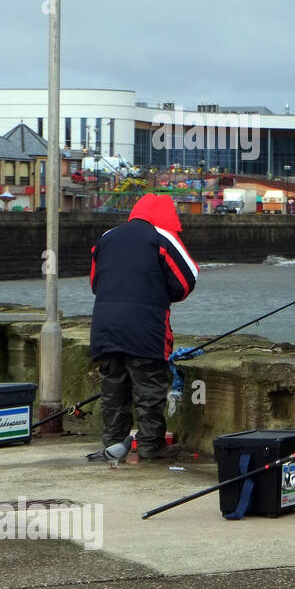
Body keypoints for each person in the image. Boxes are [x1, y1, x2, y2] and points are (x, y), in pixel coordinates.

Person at [90, 194, 198, 464]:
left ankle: (113, 445)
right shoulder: (161, 237)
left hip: (105, 326)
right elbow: (186, 279)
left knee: (113, 390)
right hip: (145, 327)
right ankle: (151, 446)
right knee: (149, 388)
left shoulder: (107, 236)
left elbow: (95, 282)